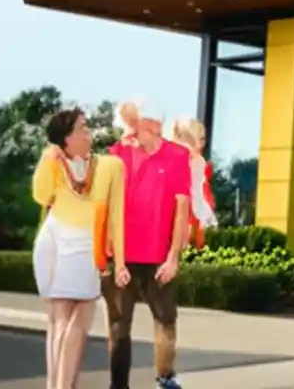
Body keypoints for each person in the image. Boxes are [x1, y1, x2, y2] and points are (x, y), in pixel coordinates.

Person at [31, 108, 128, 389]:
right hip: (56, 241)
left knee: (68, 321)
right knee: (65, 321)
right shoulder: (54, 163)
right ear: (66, 139)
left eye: (87, 127)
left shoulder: (110, 166)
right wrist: (47, 160)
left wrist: (120, 262)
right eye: (82, 129)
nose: (89, 134)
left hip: (84, 244)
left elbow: (117, 215)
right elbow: (41, 195)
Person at [104, 100, 192, 389]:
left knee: (165, 320)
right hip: (122, 256)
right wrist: (115, 259)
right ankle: (118, 385)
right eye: (127, 124)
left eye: (134, 124)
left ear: (153, 126)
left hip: (159, 257)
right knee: (118, 324)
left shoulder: (177, 156)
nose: (128, 131)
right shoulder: (117, 154)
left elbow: (181, 209)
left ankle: (165, 378)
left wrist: (173, 258)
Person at [168, 117, 218, 248]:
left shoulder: (200, 164)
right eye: (198, 139)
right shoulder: (171, 164)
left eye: (203, 139)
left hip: (195, 221)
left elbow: (201, 197)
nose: (201, 144)